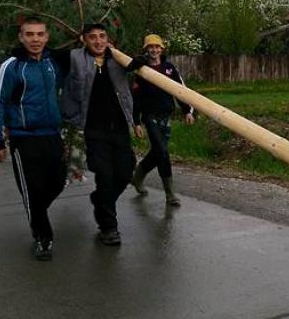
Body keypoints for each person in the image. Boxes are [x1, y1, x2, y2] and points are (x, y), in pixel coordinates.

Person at [0, 17, 70, 261]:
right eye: (29, 34)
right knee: (32, 189)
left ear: (47, 37)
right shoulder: (11, 66)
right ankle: (43, 238)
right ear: (21, 37)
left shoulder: (52, 63)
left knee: (57, 182)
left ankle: (36, 212)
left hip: (52, 134)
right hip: (24, 138)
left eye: (40, 34)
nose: (35, 39)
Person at [60, 23, 136, 246]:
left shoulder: (118, 59)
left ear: (108, 39)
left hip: (120, 127)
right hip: (94, 129)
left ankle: (101, 201)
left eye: (102, 36)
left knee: (124, 173)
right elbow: (52, 56)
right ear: (84, 40)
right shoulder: (75, 58)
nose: (98, 41)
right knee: (104, 175)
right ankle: (108, 227)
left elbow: (140, 67)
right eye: (92, 37)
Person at [129, 34, 195, 206]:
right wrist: (136, 122)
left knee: (158, 152)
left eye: (157, 47)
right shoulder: (141, 71)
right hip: (150, 117)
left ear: (162, 49)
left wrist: (187, 111)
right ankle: (170, 193)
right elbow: (135, 98)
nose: (154, 50)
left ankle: (138, 176)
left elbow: (180, 90)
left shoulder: (169, 68)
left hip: (166, 116)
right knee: (163, 152)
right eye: (150, 47)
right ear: (146, 49)